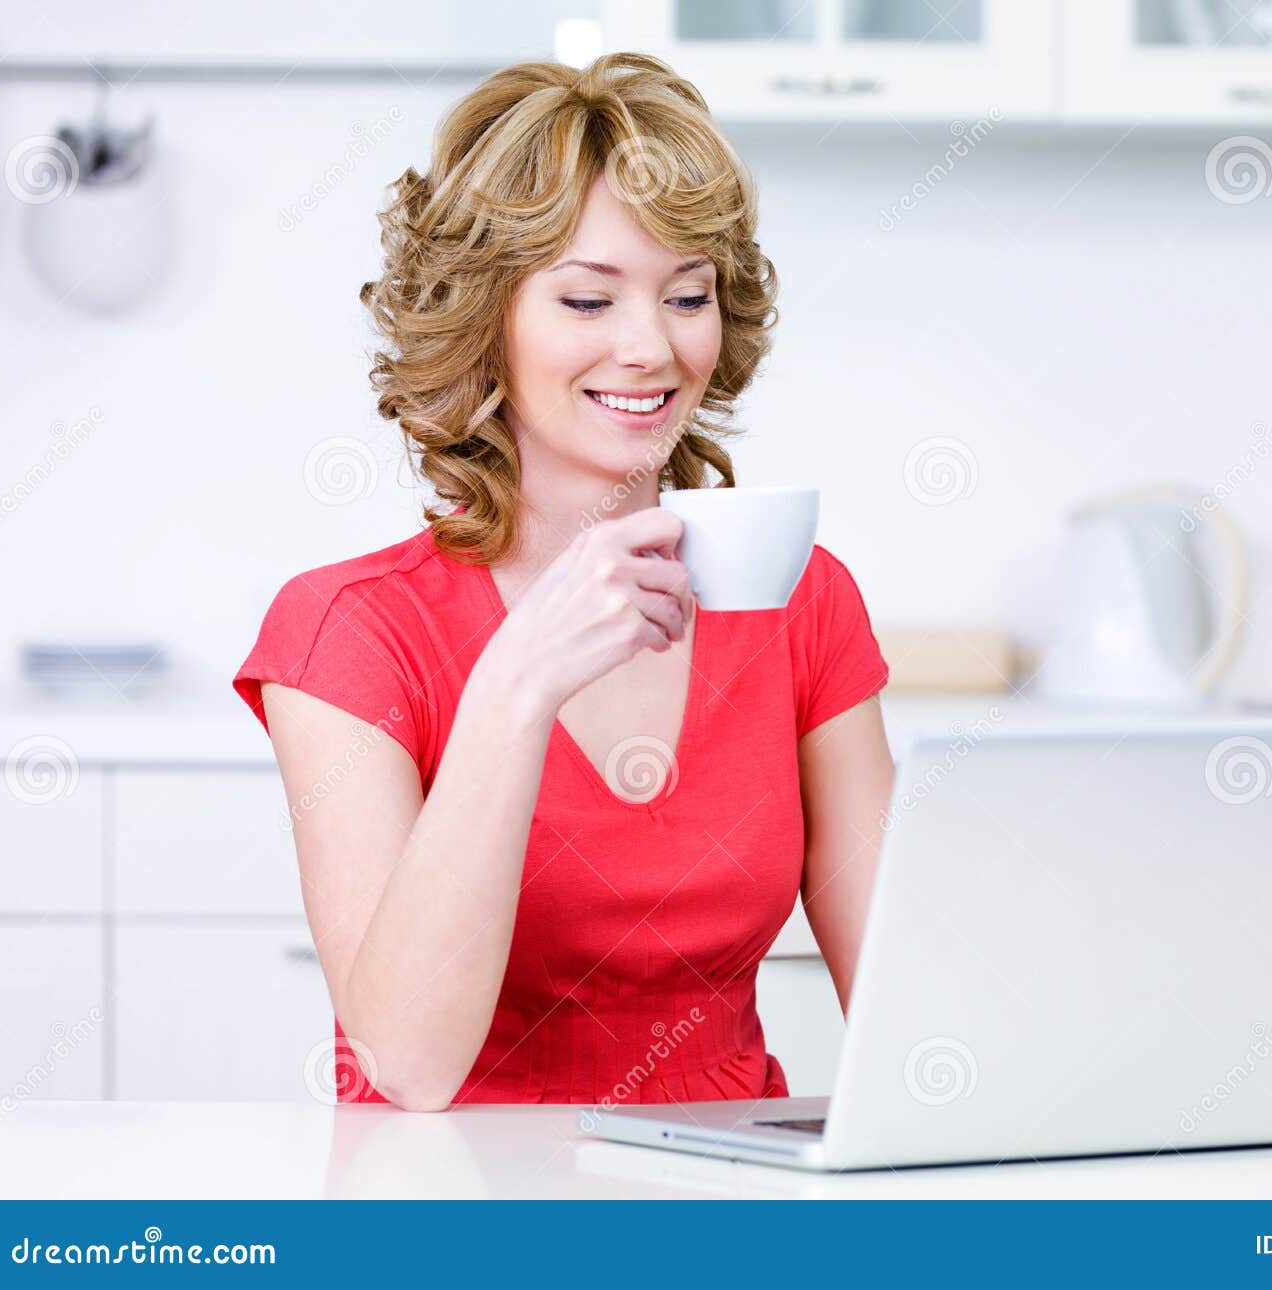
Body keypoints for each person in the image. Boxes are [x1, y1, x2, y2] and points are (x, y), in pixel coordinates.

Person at [232, 53, 895, 1111]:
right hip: (456, 1197)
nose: (651, 346)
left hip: (728, 1189)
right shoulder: (351, 632)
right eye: (588, 298)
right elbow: (408, 1066)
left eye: (688, 295)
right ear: (482, 320)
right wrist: (516, 685)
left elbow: (910, 1005)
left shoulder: (800, 601)